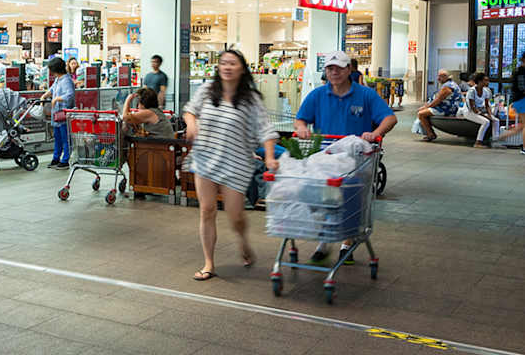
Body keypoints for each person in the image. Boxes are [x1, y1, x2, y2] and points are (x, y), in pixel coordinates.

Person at [295, 50, 398, 264]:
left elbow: (389, 118)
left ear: (349, 69)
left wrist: (375, 133)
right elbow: (300, 119)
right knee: (324, 199)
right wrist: (303, 128)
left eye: (340, 68)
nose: (335, 72)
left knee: (350, 199)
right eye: (330, 68)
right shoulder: (317, 95)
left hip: (355, 158)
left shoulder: (365, 95)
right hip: (325, 158)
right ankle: (324, 242)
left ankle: (346, 243)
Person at [184, 49, 277, 281]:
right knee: (207, 210)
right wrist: (191, 124)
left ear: (242, 69)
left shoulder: (251, 99)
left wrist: (269, 156)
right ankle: (209, 263)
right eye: (223, 63)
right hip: (205, 157)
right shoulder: (207, 90)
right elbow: (190, 111)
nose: (226, 67)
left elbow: (266, 129)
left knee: (235, 216)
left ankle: (244, 243)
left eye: (232, 63)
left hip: (236, 162)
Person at [43, 57, 75, 169]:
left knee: (65, 138)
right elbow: (52, 89)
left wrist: (57, 99)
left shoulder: (66, 80)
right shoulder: (58, 79)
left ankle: (65, 160)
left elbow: (70, 95)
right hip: (57, 114)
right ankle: (56, 158)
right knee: (57, 137)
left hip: (64, 114)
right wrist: (45, 95)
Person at [415, 70, 464, 142]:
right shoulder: (451, 84)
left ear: (445, 77)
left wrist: (426, 107)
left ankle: (430, 134)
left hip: (447, 109)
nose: (438, 78)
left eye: (440, 76)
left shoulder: (447, 87)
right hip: (448, 107)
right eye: (438, 76)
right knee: (423, 111)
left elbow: (438, 100)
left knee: (421, 114)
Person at [461, 71, 499, 148]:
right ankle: (478, 142)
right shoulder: (471, 91)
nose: (488, 82)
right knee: (486, 122)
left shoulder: (486, 91)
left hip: (479, 111)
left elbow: (487, 105)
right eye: (486, 80)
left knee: (496, 120)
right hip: (469, 112)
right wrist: (485, 116)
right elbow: (472, 107)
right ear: (479, 81)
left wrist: (490, 114)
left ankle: (496, 141)